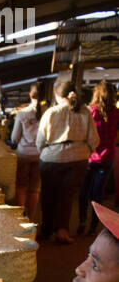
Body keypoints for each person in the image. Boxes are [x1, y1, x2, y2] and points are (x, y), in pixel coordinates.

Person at [36, 79, 99, 244]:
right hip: (78, 159)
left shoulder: (52, 112)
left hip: (51, 159)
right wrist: (85, 151)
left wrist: (45, 151)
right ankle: (62, 230)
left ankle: (47, 229)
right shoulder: (84, 112)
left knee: (49, 195)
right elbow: (94, 139)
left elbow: (40, 141)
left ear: (58, 95)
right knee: (67, 196)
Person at [78, 81, 119, 236]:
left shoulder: (90, 111)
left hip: (89, 156)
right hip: (108, 156)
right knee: (98, 193)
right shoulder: (116, 112)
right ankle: (94, 226)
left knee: (84, 191)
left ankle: (82, 221)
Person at [10, 83, 42, 223]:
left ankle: (19, 219)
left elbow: (14, 137)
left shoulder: (23, 113)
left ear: (30, 95)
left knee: (21, 186)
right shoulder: (49, 112)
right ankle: (31, 219)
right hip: (41, 155)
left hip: (23, 154)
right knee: (34, 189)